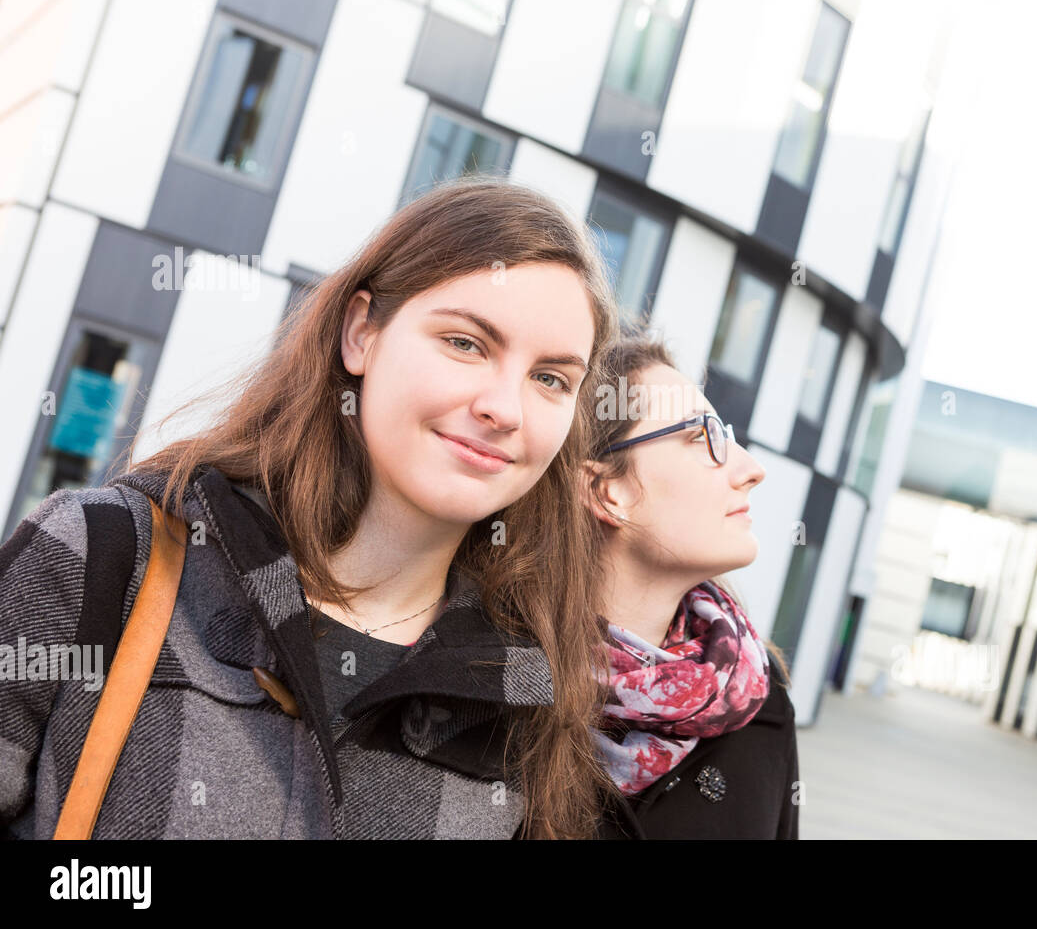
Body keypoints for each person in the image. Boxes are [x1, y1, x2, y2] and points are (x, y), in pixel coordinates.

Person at [0, 175, 621, 839]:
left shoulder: (528, 701)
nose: (505, 408)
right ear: (361, 333)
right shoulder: (101, 557)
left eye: (551, 379)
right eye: (466, 343)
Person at [581, 328, 800, 839]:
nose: (751, 469)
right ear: (608, 490)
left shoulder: (758, 699)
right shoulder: (491, 682)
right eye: (702, 437)